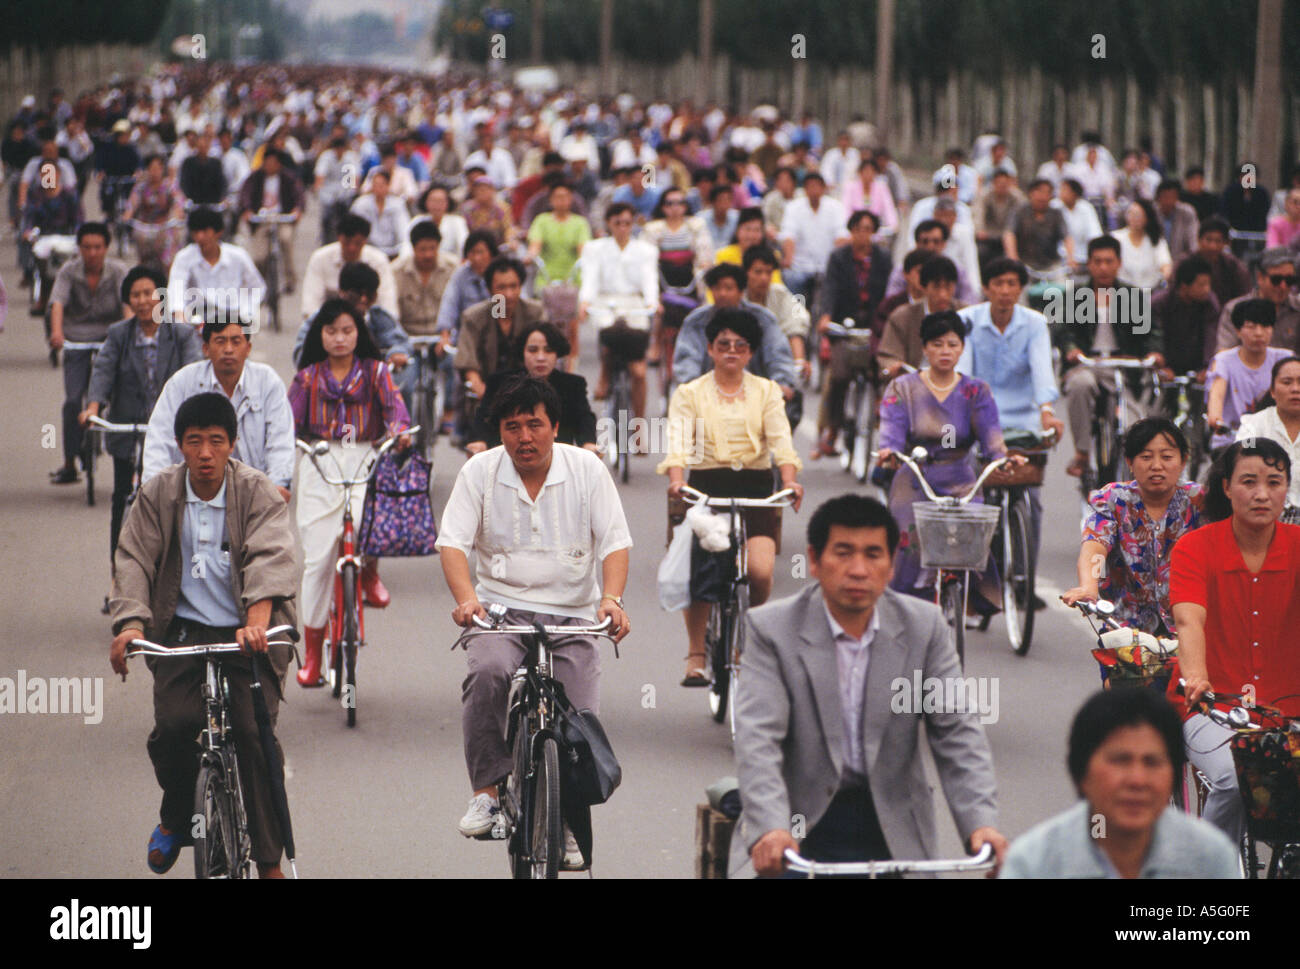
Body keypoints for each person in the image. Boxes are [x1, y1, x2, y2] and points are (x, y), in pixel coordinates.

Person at [730, 493, 1008, 876]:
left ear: (892, 565)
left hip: (894, 828)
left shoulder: (924, 627)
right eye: (843, 553)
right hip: (797, 827)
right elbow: (757, 737)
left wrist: (981, 823)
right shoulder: (771, 629)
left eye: (873, 554)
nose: (858, 569)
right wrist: (772, 828)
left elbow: (958, 733)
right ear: (814, 560)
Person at [436, 376, 631, 868]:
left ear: (555, 427)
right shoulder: (479, 472)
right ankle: (486, 792)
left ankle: (565, 820)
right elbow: (453, 543)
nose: (525, 437)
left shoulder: (586, 469)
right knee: (486, 673)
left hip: (572, 615)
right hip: (500, 611)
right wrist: (466, 600)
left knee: (581, 722)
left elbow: (614, 542)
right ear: (500, 431)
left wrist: (611, 600)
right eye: (512, 426)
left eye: (535, 425)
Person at [109, 391, 300, 879]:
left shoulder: (256, 490)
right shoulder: (158, 494)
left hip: (249, 633)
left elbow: (271, 555)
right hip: (182, 633)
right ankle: (177, 814)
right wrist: (131, 623)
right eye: (195, 442)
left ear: (233, 444)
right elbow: (134, 558)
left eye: (217, 441)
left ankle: (269, 862)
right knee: (174, 726)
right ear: (180, 445)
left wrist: (257, 621)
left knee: (254, 734)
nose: (206, 453)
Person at [658, 309, 804, 684]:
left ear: (751, 352)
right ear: (709, 348)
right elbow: (677, 443)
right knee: (703, 573)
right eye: (723, 344)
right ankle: (696, 654)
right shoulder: (689, 393)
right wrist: (676, 480)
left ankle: (747, 636)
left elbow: (782, 444)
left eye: (740, 345)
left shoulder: (767, 392)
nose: (731, 351)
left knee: (759, 570)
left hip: (756, 491)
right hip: (706, 490)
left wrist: (790, 482)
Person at [1173, 438, 1300, 845]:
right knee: (1231, 780)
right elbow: (1189, 619)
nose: (1262, 494)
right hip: (1215, 708)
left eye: (1274, 482)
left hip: (1290, 708)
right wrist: (1196, 677)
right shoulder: (1195, 546)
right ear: (1226, 487)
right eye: (1248, 481)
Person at [289, 299, 410, 687]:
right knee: (318, 559)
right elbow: (288, 425)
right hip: (319, 461)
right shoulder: (307, 377)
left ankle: (368, 572)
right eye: (331, 331)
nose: (339, 338)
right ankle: (311, 655)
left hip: (365, 458)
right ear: (319, 335)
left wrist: (399, 433)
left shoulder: (376, 372)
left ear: (359, 333)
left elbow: (397, 412)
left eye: (347, 330)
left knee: (364, 528)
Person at [999, 689, 1240, 879]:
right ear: (1082, 771)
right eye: (1120, 761)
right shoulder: (1033, 863)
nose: (1137, 780)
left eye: (1152, 762)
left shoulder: (1210, 858)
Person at [877, 311, 1019, 602]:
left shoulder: (976, 390)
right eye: (937, 344)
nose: (945, 351)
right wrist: (889, 450)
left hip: (960, 476)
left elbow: (991, 434)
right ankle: (904, 603)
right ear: (924, 347)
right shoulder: (902, 387)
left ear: (962, 348)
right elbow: (892, 429)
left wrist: (1002, 457)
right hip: (915, 476)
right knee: (907, 541)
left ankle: (966, 597)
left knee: (973, 536)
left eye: (952, 344)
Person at [82, 265, 203, 562]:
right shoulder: (119, 334)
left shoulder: (183, 335)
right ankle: (117, 575)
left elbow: (194, 373)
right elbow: (103, 372)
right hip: (129, 429)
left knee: (179, 498)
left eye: (148, 293)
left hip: (173, 433)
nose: (142, 300)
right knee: (121, 496)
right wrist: (93, 407)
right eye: (135, 295)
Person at [957, 258, 1066, 582]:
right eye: (998, 284)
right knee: (968, 492)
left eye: (1011, 284)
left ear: (1020, 289)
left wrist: (1046, 409)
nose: (1005, 291)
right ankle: (971, 577)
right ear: (986, 289)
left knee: (1030, 499)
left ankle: (1024, 578)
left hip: (1024, 418)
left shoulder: (1033, 322)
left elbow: (1041, 368)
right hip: (979, 415)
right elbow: (964, 373)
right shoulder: (967, 320)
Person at [1062, 418, 1204, 634]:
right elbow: (1096, 547)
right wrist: (1089, 586)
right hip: (1126, 630)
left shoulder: (1200, 501)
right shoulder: (1113, 500)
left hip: (1192, 630)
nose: (1156, 466)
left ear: (1183, 461)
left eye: (1166, 457)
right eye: (1146, 457)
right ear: (1129, 462)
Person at [143, 314, 295, 501]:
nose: (228, 349)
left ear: (248, 348)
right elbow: (160, 436)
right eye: (220, 341)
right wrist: (153, 486)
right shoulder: (183, 382)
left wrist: (277, 485)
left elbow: (280, 440)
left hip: (254, 492)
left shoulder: (267, 382)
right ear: (206, 348)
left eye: (236, 341)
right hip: (194, 490)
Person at [1056, 237, 1163, 477]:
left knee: (1134, 421)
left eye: (1109, 261)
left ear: (1118, 263)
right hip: (1088, 363)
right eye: (1098, 261)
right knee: (1079, 385)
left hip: (1124, 366)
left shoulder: (1132, 296)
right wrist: (1071, 349)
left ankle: (1132, 467)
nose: (1103, 267)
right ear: (1090, 265)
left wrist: (1155, 352)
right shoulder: (1075, 295)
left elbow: (1152, 331)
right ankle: (1082, 453)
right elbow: (1063, 331)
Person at [46, 222, 130, 484]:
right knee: (72, 401)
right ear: (79, 249)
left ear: (106, 248)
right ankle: (69, 463)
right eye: (86, 247)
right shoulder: (69, 271)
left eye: (97, 247)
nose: (92, 253)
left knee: (122, 398)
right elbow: (57, 302)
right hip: (77, 339)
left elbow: (128, 304)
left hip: (110, 339)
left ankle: (126, 460)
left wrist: (128, 334)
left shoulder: (118, 271)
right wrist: (57, 333)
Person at [811, 210, 893, 458]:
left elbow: (889, 292)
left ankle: (884, 424)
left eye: (868, 229)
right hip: (843, 328)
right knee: (839, 375)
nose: (863, 234)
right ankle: (833, 430)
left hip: (874, 327)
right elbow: (830, 289)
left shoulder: (884, 258)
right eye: (859, 228)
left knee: (884, 371)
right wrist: (826, 316)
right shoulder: (839, 258)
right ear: (851, 231)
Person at [577, 203, 659, 415]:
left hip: (634, 303)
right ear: (608, 224)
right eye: (617, 223)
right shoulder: (594, 248)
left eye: (627, 223)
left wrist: (653, 302)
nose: (622, 228)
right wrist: (585, 301)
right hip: (605, 302)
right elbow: (590, 278)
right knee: (608, 336)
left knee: (638, 372)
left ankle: (639, 427)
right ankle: (605, 372)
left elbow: (650, 280)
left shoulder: (646, 250)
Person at [467, 322, 599, 454]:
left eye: (548, 351)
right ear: (522, 352)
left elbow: (585, 418)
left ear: (557, 354)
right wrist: (480, 441)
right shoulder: (500, 383)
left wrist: (588, 443)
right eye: (533, 350)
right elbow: (484, 416)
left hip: (558, 459)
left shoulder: (573, 385)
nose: (540, 357)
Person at [672, 263, 797, 395]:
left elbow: (778, 354)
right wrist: (692, 387)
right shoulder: (695, 321)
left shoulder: (763, 319)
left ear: (741, 291)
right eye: (717, 288)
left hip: (757, 393)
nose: (722, 293)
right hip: (707, 393)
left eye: (728, 288)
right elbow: (686, 359)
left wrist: (781, 383)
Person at [456, 255, 549, 403]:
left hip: (528, 393)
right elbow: (468, 361)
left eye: (514, 286)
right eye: (501, 287)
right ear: (489, 289)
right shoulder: (474, 317)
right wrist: (481, 389)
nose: (508, 294)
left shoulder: (535, 313)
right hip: (485, 394)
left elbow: (545, 354)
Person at [293, 261, 412, 375]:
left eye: (369, 295)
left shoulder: (378, 318)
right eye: (357, 293)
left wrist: (396, 353)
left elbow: (400, 341)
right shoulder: (321, 318)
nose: (363, 299)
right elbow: (301, 355)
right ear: (341, 292)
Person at [1206, 299, 1292, 453]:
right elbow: (1217, 395)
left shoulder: (1284, 359)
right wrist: (1215, 417)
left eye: (1265, 326)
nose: (1258, 333)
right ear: (1238, 331)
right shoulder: (1224, 360)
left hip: (1272, 441)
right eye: (1251, 327)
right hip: (1232, 440)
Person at [165, 206, 264, 327]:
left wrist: (247, 313)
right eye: (196, 232)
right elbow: (176, 288)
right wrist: (179, 315)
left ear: (218, 232)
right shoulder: (184, 257)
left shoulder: (238, 256)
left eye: (205, 231)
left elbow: (257, 287)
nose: (200, 237)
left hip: (232, 316)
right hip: (198, 318)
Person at [300, 213, 399, 323]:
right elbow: (310, 304)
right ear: (338, 238)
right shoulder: (320, 259)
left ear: (366, 240)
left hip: (370, 324)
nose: (352, 248)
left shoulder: (378, 261)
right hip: (328, 323)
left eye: (358, 243)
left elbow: (388, 303)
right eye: (347, 242)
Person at [1236, 356, 1300, 523]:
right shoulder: (1253, 426)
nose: (1295, 389)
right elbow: (1240, 464)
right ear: (1272, 390)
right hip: (1263, 518)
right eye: (1287, 382)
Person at [878, 254, 961, 380]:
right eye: (936, 287)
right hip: (912, 385)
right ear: (924, 287)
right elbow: (889, 355)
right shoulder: (902, 317)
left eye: (948, 287)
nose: (943, 294)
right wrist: (893, 366)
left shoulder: (965, 314)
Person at [779, 172, 849, 308]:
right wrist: (788, 258)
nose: (814, 190)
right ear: (804, 189)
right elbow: (788, 235)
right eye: (810, 186)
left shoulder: (835, 207)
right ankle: (797, 318)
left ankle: (826, 318)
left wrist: (835, 263)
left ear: (823, 188)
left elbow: (841, 235)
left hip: (827, 265)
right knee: (792, 279)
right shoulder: (793, 207)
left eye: (817, 186)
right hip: (800, 265)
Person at [238, 148, 302, 295]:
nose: (270, 166)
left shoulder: (288, 178)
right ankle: (258, 284)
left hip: (282, 218)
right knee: (259, 256)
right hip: (262, 220)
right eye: (267, 163)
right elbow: (245, 195)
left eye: (273, 163)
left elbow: (298, 195)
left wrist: (297, 210)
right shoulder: (255, 178)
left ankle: (290, 279)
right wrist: (247, 211)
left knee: (285, 240)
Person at [743, 244, 810, 382]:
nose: (764, 278)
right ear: (746, 272)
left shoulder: (780, 293)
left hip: (775, 362)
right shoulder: (737, 296)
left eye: (768, 272)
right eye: (758, 272)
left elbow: (795, 323)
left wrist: (799, 361)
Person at [1214, 247, 1300, 352]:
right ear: (1260, 277)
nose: (1283, 286)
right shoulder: (1235, 309)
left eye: (1290, 280)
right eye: (1276, 280)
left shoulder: (1297, 309)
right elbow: (1224, 353)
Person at [1152, 255, 1220, 383]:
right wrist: (1162, 366)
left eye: (1208, 284)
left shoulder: (1210, 303)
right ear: (1184, 286)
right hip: (1166, 365)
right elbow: (1155, 336)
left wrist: (1208, 366)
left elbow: (1211, 336)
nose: (1207, 289)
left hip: (1197, 367)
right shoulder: (1159, 303)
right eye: (1201, 285)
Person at [885, 218, 980, 306]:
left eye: (936, 241)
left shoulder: (957, 270)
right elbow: (891, 299)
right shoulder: (904, 270)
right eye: (925, 241)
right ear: (917, 243)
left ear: (944, 244)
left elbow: (969, 302)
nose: (930, 247)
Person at [123, 154, 185, 270]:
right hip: (144, 228)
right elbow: (132, 202)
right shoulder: (141, 186)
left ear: (162, 169)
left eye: (157, 168)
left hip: (164, 228)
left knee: (168, 262)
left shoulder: (169, 186)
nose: (154, 172)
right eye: (151, 168)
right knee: (141, 261)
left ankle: (168, 282)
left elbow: (178, 201)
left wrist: (178, 213)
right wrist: (128, 214)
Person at [1179, 217, 1252, 311]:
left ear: (1226, 243)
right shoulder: (1184, 263)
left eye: (1218, 241)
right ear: (1199, 240)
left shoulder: (1234, 267)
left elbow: (1245, 297)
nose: (1213, 246)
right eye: (1208, 240)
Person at [1005, 178, 1072, 272]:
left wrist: (1070, 258)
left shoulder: (1056, 214)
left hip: (1052, 265)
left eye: (1047, 193)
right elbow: (1009, 234)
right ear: (1031, 193)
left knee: (1066, 285)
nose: (1043, 196)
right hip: (1025, 265)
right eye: (1040, 191)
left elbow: (1067, 237)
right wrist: (1013, 257)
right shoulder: (1020, 211)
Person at [1111, 199, 1172, 290]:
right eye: (1131, 214)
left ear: (1147, 218)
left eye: (1138, 215)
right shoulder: (1116, 238)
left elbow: (1166, 264)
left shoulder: (1157, 240)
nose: (1134, 218)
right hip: (1122, 293)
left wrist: (1166, 276)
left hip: (1149, 292)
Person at [348, 168, 408, 259]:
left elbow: (403, 232)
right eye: (375, 184)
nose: (378, 188)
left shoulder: (398, 204)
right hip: (367, 253)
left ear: (388, 185)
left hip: (394, 253)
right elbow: (355, 231)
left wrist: (401, 251)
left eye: (382, 185)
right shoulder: (361, 204)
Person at [972, 169, 1025, 265]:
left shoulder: (1017, 197)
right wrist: (980, 229)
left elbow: (1023, 215)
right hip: (989, 237)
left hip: (1011, 236)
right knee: (980, 252)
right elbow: (978, 214)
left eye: (1005, 183)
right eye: (999, 183)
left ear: (1010, 183)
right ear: (993, 183)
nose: (1002, 186)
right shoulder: (984, 196)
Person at [1052, 178, 1104, 273]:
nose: (1061, 192)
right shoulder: (1054, 206)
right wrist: (1069, 257)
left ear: (1074, 193)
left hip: (1084, 257)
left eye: (1064, 190)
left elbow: (1095, 234)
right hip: (1059, 257)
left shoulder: (1086, 208)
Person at [405, 184, 469, 259]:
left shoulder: (457, 221)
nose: (437, 205)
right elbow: (407, 248)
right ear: (426, 202)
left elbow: (463, 246)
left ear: (448, 203)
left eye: (441, 201)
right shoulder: (417, 221)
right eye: (433, 200)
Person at [839, 157, 898, 236]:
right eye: (866, 171)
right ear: (860, 172)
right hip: (854, 229)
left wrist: (893, 225)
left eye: (872, 171)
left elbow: (889, 208)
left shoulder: (881, 188)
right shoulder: (850, 187)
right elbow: (845, 208)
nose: (868, 174)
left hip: (875, 229)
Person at [1153, 179, 1199, 261]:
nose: (1168, 201)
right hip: (1155, 260)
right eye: (1165, 197)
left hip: (1181, 261)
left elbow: (1193, 242)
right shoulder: (1152, 212)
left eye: (1172, 197)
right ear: (1158, 198)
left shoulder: (1187, 213)